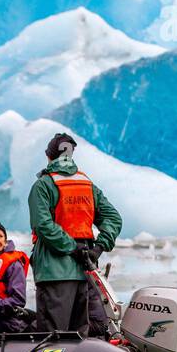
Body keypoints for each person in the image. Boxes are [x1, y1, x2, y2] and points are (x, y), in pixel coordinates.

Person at [27, 132, 122, 336]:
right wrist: (97, 248)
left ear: (49, 156)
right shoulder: (87, 186)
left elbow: (43, 225)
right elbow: (114, 218)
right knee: (79, 334)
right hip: (84, 272)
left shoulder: (43, 185)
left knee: (52, 336)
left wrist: (72, 247)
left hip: (54, 272)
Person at [0, 219, 33, 334]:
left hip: (7, 322)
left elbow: (18, 300)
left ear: (5, 241)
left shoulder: (13, 265)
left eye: (0, 236)